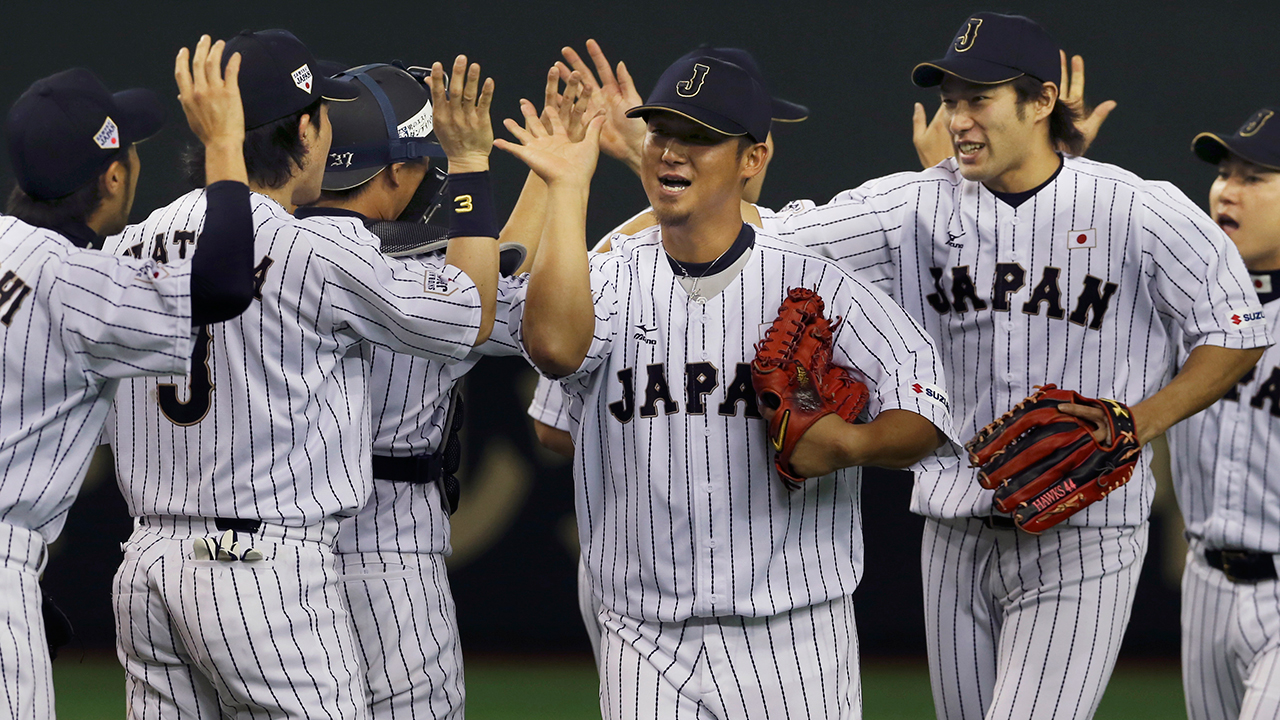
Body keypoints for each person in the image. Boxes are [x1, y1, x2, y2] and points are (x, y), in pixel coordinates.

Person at [768, 12, 1270, 720]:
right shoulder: (912, 205)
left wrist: (1136, 423)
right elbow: (766, 237)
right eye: (951, 99)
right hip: (952, 535)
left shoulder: (1136, 208)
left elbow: (1237, 329)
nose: (959, 118)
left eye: (980, 98)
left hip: (1086, 537)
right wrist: (666, 174)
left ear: (1040, 103)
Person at [498, 53, 958, 719]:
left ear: (752, 158)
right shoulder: (610, 274)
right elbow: (554, 350)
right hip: (644, 639)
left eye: (700, 137)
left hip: (795, 637)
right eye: (660, 133)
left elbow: (924, 407)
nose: (671, 152)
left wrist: (851, 446)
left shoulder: (818, 281)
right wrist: (567, 190)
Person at [102, 31, 500, 719]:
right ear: (307, 130)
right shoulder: (312, 244)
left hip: (145, 566)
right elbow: (466, 316)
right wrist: (469, 165)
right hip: (259, 567)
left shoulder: (130, 243)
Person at [308, 60, 589, 719]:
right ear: (398, 170)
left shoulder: (275, 247)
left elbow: (488, 267)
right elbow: (486, 291)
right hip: (392, 547)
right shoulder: (424, 267)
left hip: (286, 547)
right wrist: (527, 175)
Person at [525, 41, 811, 664]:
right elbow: (551, 420)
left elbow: (553, 427)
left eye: (701, 135)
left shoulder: (798, 245)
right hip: (641, 588)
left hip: (722, 586)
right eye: (670, 132)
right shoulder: (615, 261)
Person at [0, 37, 255, 718]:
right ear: (112, 178)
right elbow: (227, 283)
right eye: (129, 150)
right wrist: (225, 147)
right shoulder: (74, 277)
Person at [1168, 107, 1280, 720]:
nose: (1226, 190)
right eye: (1225, 172)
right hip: (1205, 583)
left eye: (1255, 176)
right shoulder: (1182, 300)